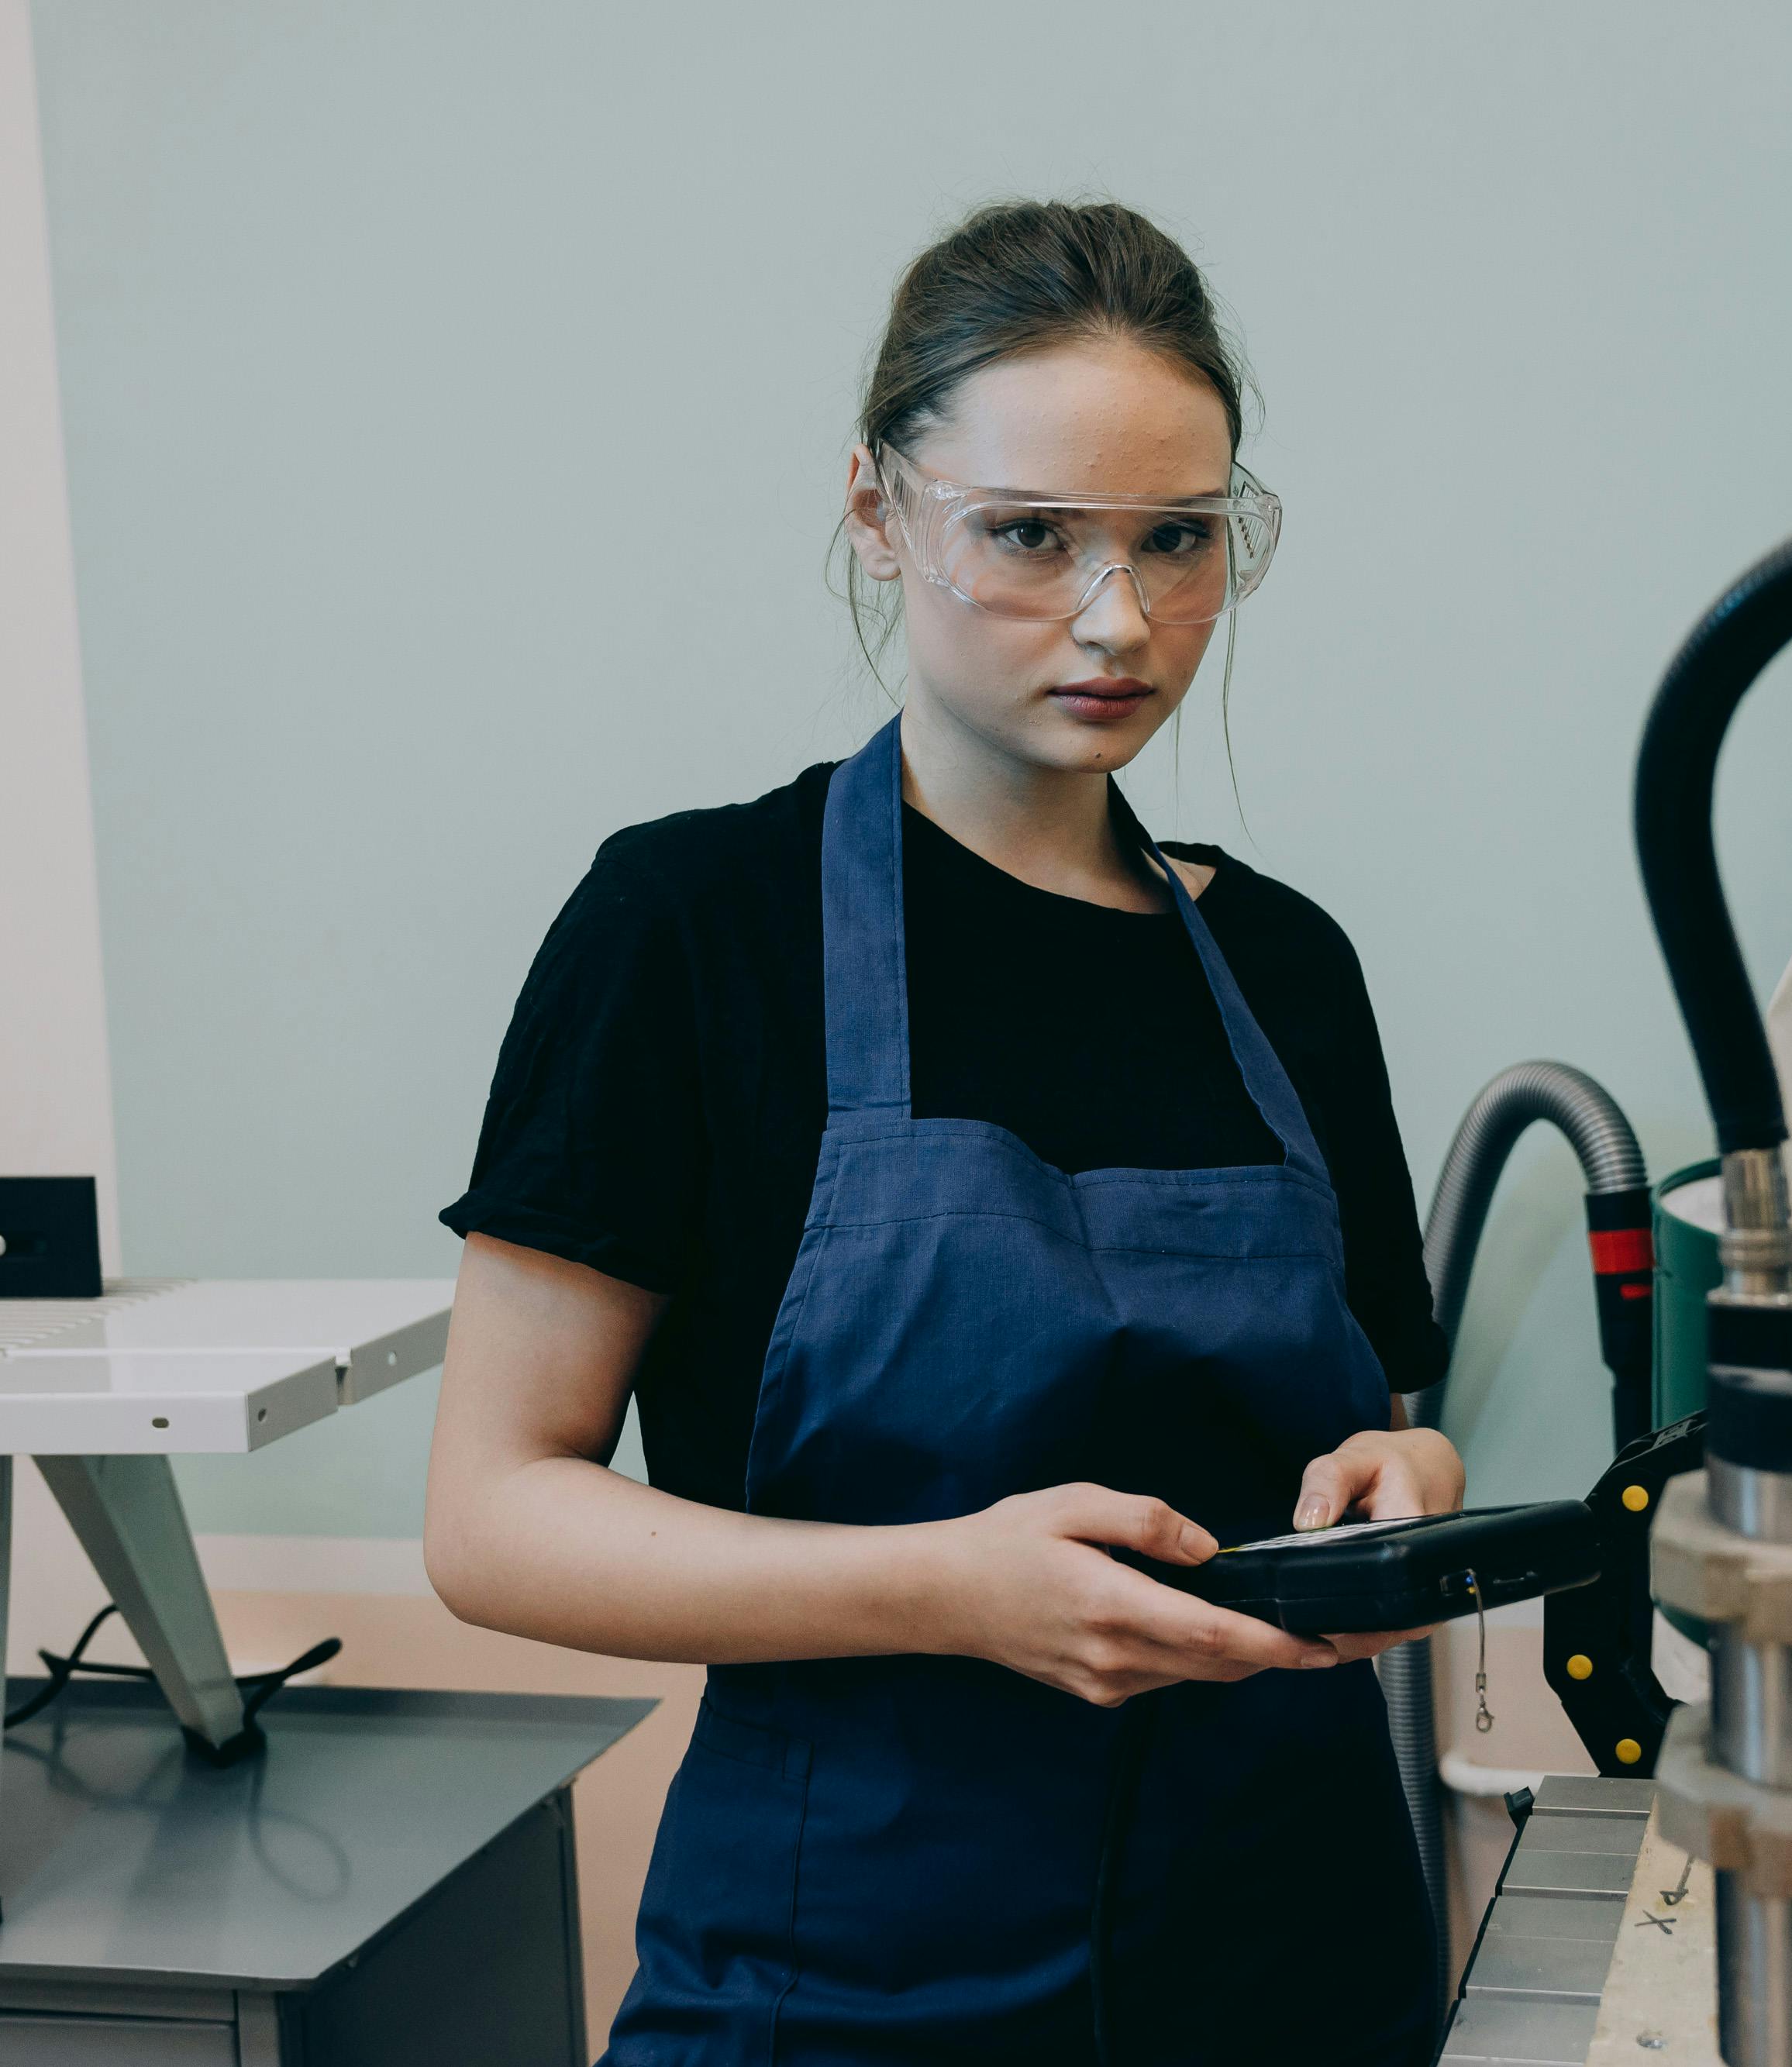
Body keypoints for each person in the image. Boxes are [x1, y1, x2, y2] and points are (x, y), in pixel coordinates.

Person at [422, 198, 1459, 2066]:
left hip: (1291, 1969)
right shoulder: (694, 931)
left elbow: (1363, 1422)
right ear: (878, 509)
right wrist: (936, 1585)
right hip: (849, 1993)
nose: (1117, 616)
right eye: (1030, 536)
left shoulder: (1286, 964)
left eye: (1178, 540)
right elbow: (492, 1516)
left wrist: (1400, 1487)